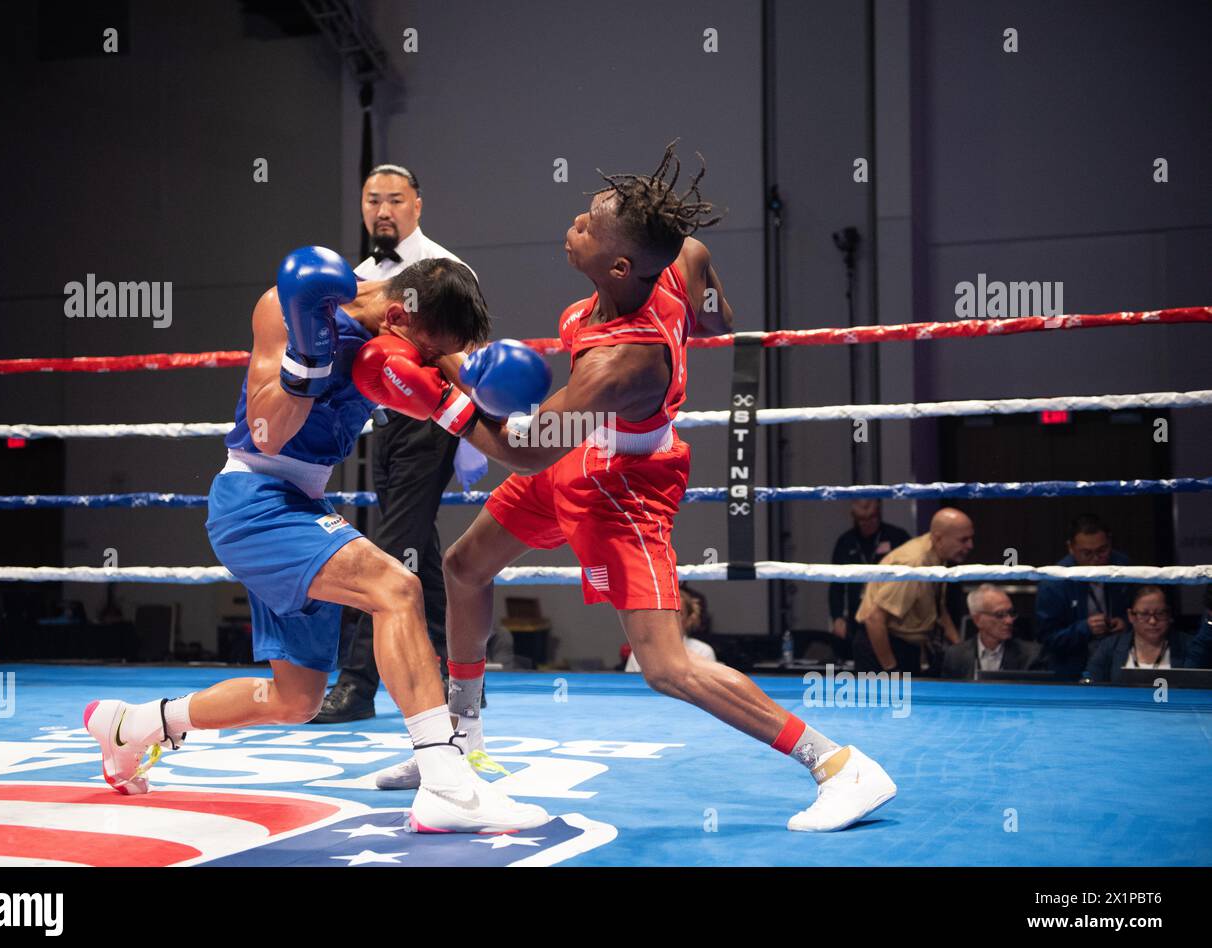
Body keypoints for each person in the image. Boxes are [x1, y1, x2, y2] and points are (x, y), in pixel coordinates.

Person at [355, 142, 897, 832]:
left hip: (623, 485)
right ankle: (462, 743)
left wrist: (439, 399)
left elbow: (524, 449)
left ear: (618, 265)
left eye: (588, 224)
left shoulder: (619, 363)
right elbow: (714, 315)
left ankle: (839, 765)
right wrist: (697, 319)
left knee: (666, 666)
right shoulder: (679, 258)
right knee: (465, 567)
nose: (574, 224)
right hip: (579, 457)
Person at [82, 247, 547, 833]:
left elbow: (505, 445)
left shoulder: (422, 338)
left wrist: (531, 424)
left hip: (302, 503)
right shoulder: (292, 306)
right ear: (400, 316)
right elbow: (267, 434)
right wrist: (309, 359)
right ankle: (446, 783)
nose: (431, 364)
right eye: (430, 353)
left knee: (295, 700)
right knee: (396, 588)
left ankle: (134, 724)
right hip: (254, 498)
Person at [315, 162, 488, 723]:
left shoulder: (444, 269)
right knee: (416, 547)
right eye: (372, 201)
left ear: (417, 205)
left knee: (389, 547)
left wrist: (471, 426)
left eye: (394, 200)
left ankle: (357, 685)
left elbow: (467, 352)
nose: (382, 210)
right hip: (383, 421)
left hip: (430, 419)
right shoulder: (359, 276)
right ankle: (460, 671)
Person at [854, 508, 974, 674]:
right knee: (894, 698)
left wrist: (961, 649)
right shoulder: (914, 564)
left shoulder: (937, 554)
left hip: (904, 645)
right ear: (939, 538)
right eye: (963, 540)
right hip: (882, 645)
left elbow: (937, 608)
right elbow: (874, 620)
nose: (970, 545)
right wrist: (891, 669)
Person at [1035, 514, 1130, 678]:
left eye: (1102, 550)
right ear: (1070, 548)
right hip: (1070, 670)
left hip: (1119, 664)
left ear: (1110, 542)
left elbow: (1143, 612)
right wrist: (1084, 629)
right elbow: (1045, 639)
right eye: (1087, 553)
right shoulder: (1055, 581)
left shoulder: (1125, 570)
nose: (1096, 559)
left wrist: (1127, 623)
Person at [827, 499, 910, 641]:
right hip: (857, 617)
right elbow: (836, 586)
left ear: (879, 513)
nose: (867, 523)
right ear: (853, 517)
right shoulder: (845, 542)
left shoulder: (897, 537)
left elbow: (911, 579)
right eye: (862, 519)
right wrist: (837, 617)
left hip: (892, 616)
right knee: (837, 661)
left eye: (872, 517)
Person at [1086, 585, 1194, 682]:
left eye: (1160, 613)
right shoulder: (1110, 646)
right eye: (1144, 614)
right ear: (1131, 616)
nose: (1153, 621)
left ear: (1169, 614)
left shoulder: (1188, 645)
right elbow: (1091, 684)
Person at [941, 584, 1040, 679]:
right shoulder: (955, 656)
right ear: (977, 620)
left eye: (1011, 613)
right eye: (1000, 615)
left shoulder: (1031, 656)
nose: (1009, 621)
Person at [625, 584, 716, 672]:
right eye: (667, 612)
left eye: (679, 613)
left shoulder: (703, 651)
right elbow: (629, 684)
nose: (672, 618)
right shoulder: (641, 650)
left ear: (689, 619)